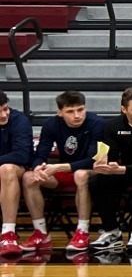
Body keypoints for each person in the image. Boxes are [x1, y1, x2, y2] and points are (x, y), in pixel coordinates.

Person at [22, 90, 102, 256]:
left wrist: (58, 168)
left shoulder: (97, 123)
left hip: (94, 171)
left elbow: (94, 160)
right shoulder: (51, 125)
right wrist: (38, 167)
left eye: (80, 110)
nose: (77, 115)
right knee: (29, 178)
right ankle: (41, 233)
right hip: (66, 171)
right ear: (59, 112)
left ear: (86, 108)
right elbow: (41, 153)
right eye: (70, 112)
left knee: (81, 174)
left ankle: (82, 232)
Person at [0, 91, 35, 256]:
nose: (3, 114)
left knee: (6, 169)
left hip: (19, 169)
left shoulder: (19, 120)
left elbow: (21, 155)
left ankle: (8, 234)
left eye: (5, 109)